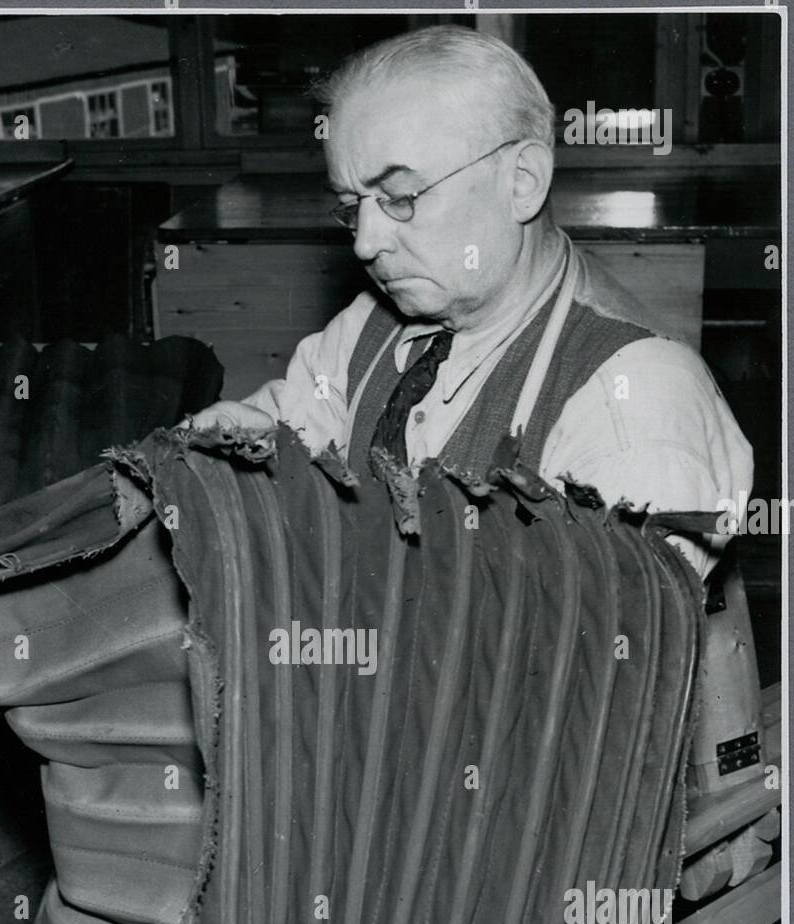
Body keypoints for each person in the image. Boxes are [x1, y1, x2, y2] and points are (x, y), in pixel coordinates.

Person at [188, 26, 752, 578]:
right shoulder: (378, 321)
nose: (365, 242)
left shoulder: (630, 406)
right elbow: (305, 423)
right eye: (350, 204)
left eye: (401, 197)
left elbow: (584, 658)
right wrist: (254, 444)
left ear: (523, 180)